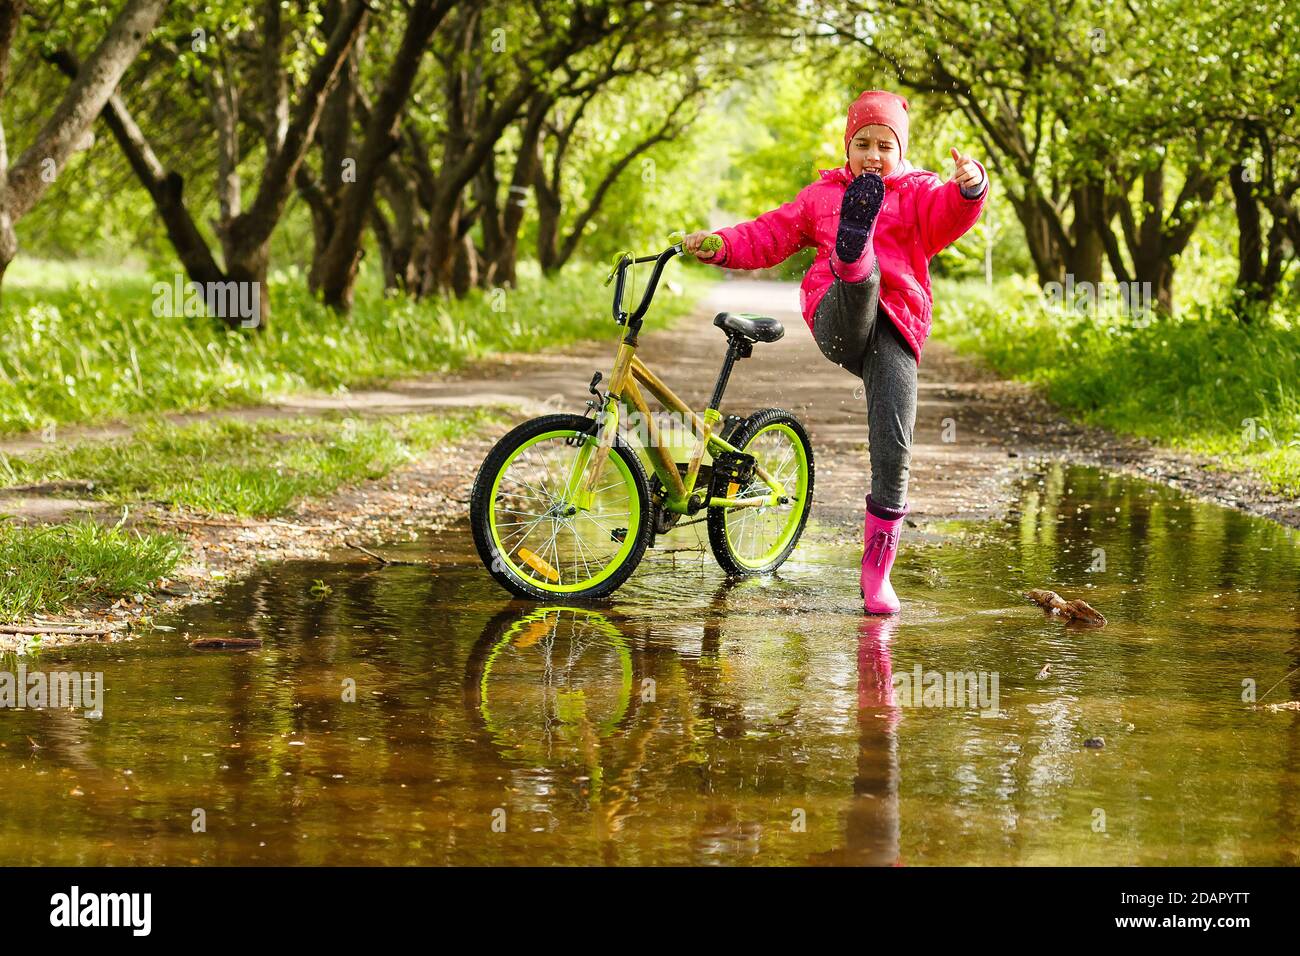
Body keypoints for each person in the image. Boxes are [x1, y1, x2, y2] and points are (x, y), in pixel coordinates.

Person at [682, 89, 988, 614]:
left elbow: (949, 215)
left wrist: (970, 186)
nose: (872, 154)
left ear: (901, 151)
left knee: (894, 443)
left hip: (894, 329)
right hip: (838, 315)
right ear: (847, 147)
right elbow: (770, 232)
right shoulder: (822, 197)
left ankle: (877, 575)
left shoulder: (919, 193)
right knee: (857, 273)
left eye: (884, 146)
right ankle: (854, 256)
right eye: (862, 143)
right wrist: (722, 244)